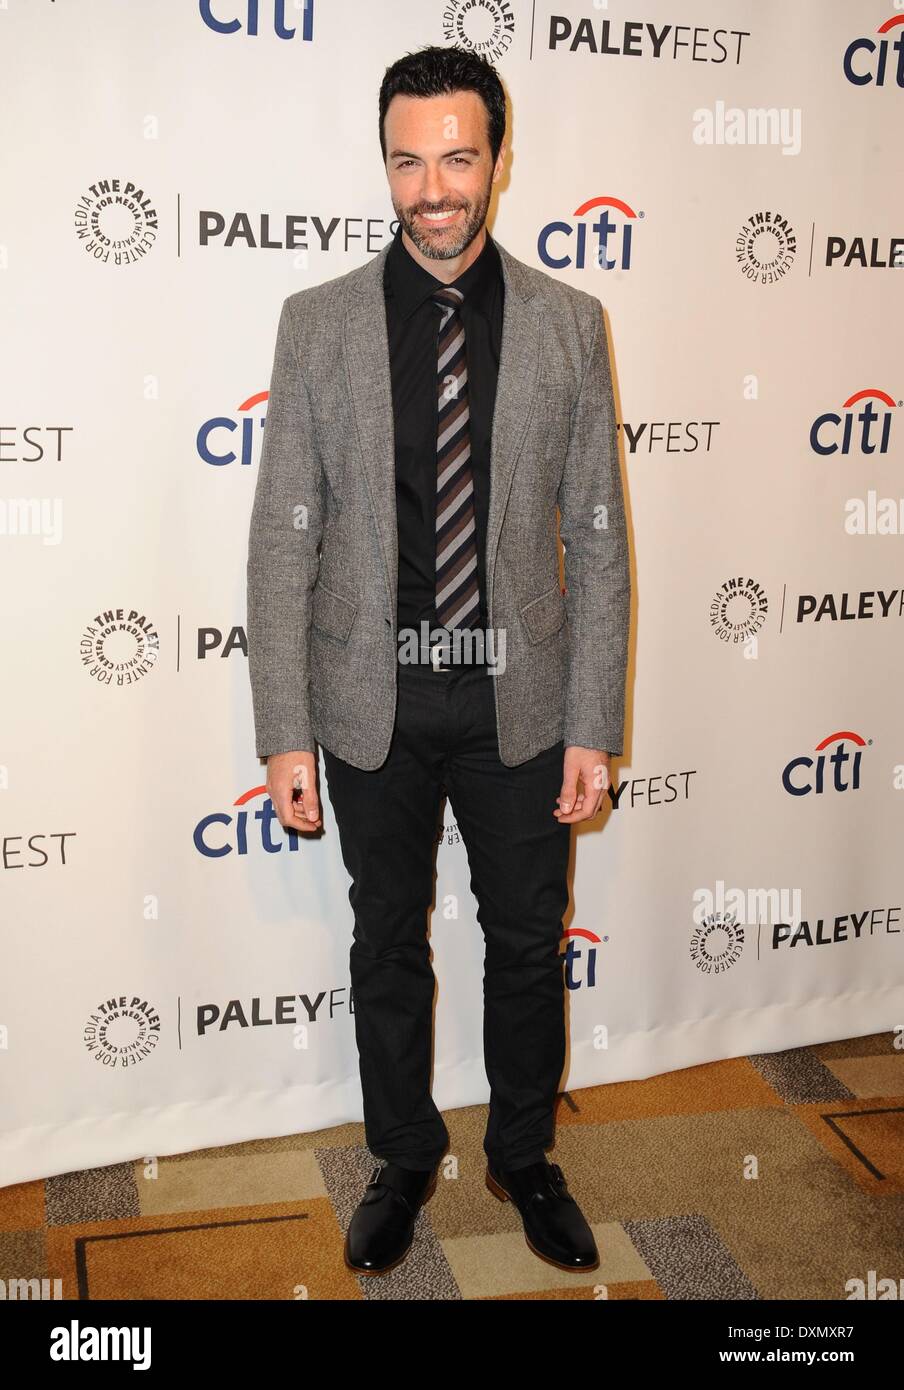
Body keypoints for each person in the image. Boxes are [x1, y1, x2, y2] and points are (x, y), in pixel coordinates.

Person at [246, 43, 630, 1278]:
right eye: (407, 163)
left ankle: (524, 1154)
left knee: (525, 939)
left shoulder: (571, 324)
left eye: (457, 159)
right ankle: (403, 1155)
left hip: (523, 694)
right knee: (385, 937)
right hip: (376, 696)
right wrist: (284, 729)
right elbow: (282, 538)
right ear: (385, 167)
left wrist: (593, 722)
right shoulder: (317, 326)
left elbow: (597, 539)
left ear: (498, 161)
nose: (432, 190)